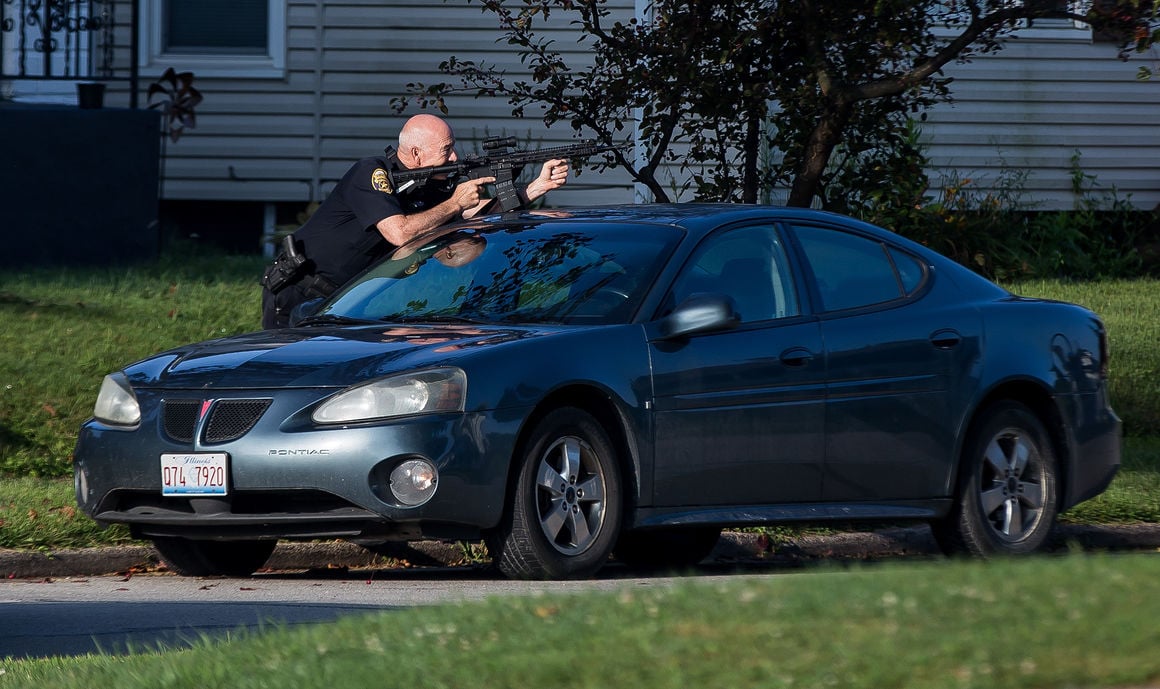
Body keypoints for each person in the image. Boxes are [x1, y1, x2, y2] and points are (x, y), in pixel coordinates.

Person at [260, 114, 570, 328]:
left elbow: (468, 221)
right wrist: (454, 201)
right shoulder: (372, 173)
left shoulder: (427, 187)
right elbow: (399, 232)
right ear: (416, 154)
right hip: (298, 292)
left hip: (345, 299)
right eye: (446, 149)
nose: (454, 157)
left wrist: (534, 188)